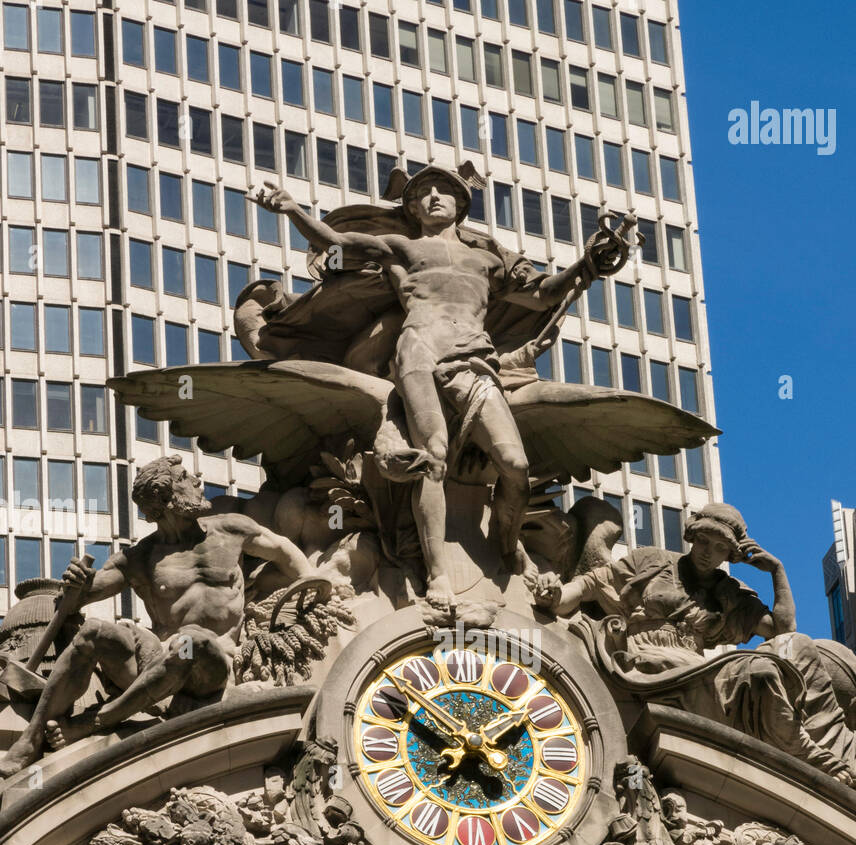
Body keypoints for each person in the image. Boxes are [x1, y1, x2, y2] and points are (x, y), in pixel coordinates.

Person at [252, 166, 636, 612]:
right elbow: (335, 244)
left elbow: (543, 295)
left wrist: (588, 263)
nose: (434, 197)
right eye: (422, 194)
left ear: (460, 203)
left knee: (514, 464)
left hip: (474, 359)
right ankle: (438, 577)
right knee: (431, 458)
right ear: (412, 208)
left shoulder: (489, 260)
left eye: (444, 191)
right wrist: (293, 209)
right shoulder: (402, 247)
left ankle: (509, 546)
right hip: (418, 352)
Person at [0, 456, 320, 778]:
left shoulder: (230, 528)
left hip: (213, 663)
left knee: (190, 641)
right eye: (184, 477)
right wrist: (75, 584)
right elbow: (79, 598)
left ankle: (94, 721)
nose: (196, 480)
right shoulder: (140, 558)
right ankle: (31, 739)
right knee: (93, 632)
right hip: (156, 658)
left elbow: (283, 550)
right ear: (166, 498)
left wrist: (312, 581)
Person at [536, 502, 856, 782]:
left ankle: (824, 745)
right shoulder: (651, 562)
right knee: (762, 672)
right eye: (704, 541)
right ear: (692, 536)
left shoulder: (727, 593)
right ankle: (802, 751)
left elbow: (784, 627)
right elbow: (590, 585)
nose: (707, 552)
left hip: (696, 668)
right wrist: (555, 595)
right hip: (647, 662)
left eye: (719, 548)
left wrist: (777, 571)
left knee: (796, 648)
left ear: (730, 555)